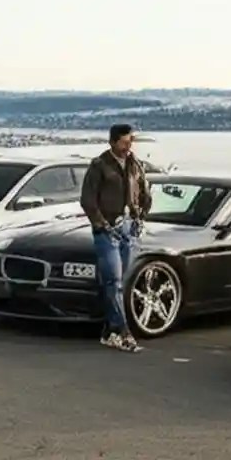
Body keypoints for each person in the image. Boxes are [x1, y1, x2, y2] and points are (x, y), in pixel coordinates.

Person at [79, 123, 152, 353]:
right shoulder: (99, 165)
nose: (128, 146)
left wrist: (141, 215)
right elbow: (87, 200)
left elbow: (144, 191)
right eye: (124, 142)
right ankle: (123, 332)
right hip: (108, 229)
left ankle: (109, 330)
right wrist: (102, 224)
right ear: (112, 142)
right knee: (114, 281)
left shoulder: (135, 165)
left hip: (130, 228)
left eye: (131, 141)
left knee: (121, 282)